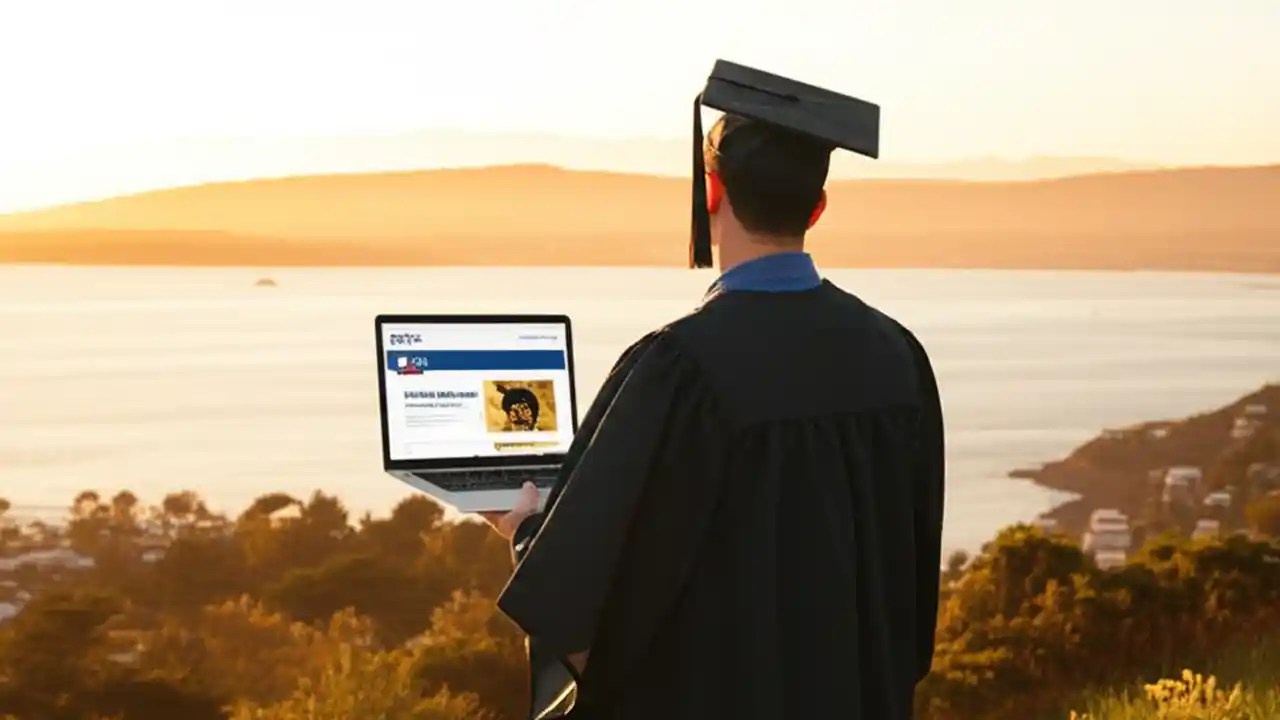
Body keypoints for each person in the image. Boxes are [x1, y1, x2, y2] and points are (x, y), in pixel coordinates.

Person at [487, 61, 946, 719]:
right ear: (816, 208)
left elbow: (586, 619)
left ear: (712, 191)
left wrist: (528, 531)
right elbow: (907, 608)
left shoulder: (678, 370)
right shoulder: (898, 359)